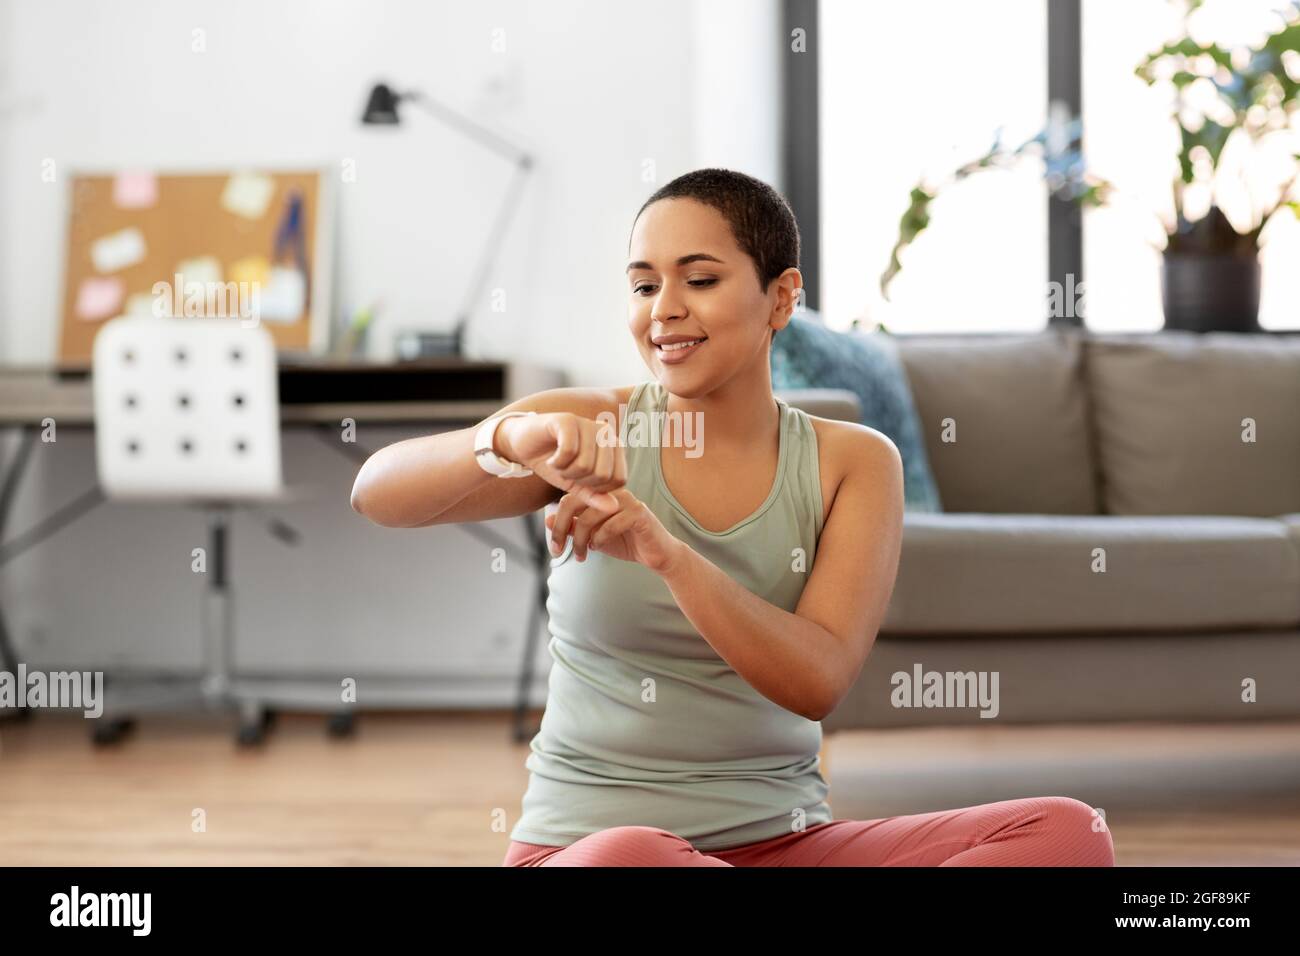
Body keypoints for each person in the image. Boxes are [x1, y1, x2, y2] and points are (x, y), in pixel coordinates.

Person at [351, 167, 1116, 868]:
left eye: (700, 279)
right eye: (643, 286)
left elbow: (815, 679)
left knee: (1065, 832)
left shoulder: (852, 461)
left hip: (787, 842)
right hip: (591, 853)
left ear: (781, 297)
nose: (665, 311)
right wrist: (508, 435)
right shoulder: (590, 428)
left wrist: (666, 553)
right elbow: (376, 492)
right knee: (630, 859)